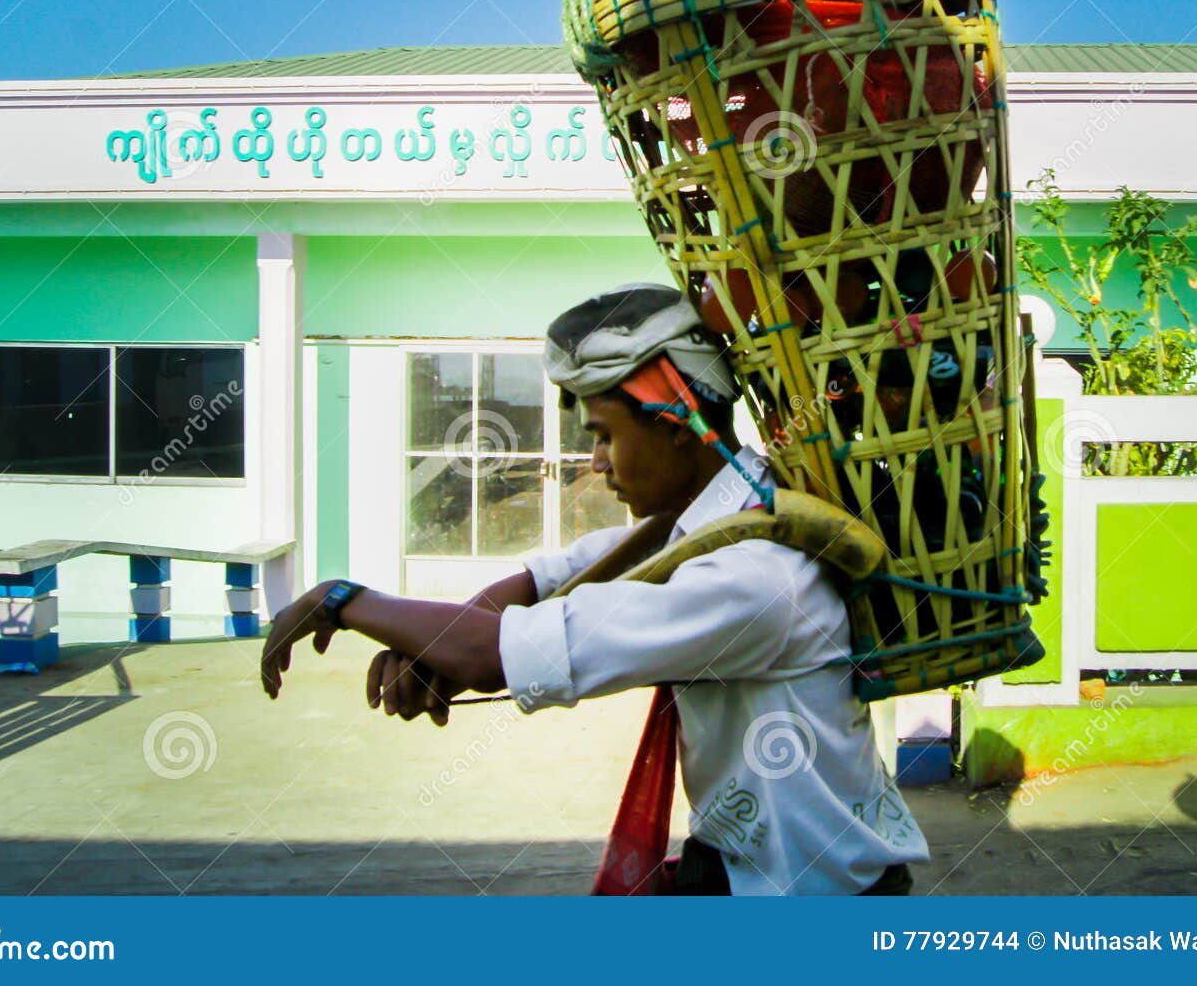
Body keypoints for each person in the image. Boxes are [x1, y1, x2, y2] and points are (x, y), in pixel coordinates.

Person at [260, 282, 928, 895]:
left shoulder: (753, 572)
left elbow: (498, 650)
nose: (595, 462)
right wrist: (430, 652)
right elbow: (540, 582)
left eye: (606, 435)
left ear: (679, 423)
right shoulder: (706, 521)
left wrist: (341, 599)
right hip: (738, 870)